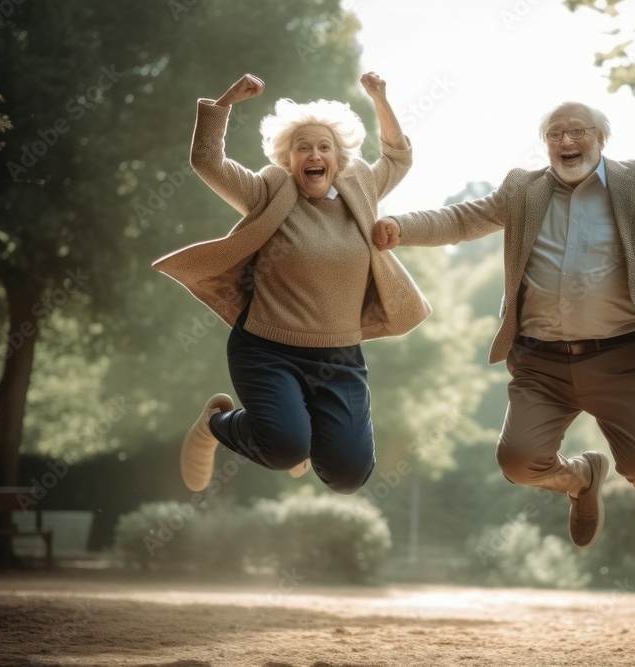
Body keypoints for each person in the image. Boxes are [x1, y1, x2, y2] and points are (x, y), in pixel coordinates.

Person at [372, 101, 635, 595]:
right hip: (540, 362)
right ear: (546, 143)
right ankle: (582, 479)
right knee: (518, 461)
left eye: (578, 131)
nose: (566, 141)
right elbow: (463, 219)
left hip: (619, 359)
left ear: (601, 137)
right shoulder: (522, 189)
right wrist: (402, 227)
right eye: (555, 133)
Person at [152, 72, 430, 495]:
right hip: (268, 350)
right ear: (289, 157)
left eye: (324, 147)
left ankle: (300, 434)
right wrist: (224, 103)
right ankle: (216, 425)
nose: (314, 155)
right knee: (284, 447)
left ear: (338, 157)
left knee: (349, 474)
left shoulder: (361, 188)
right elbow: (208, 162)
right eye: (303, 147)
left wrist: (380, 98)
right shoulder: (270, 191)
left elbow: (398, 158)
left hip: (339, 358)